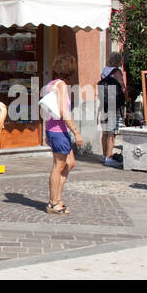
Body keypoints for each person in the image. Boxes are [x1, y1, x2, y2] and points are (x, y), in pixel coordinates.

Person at [40, 54, 82, 215]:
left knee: (70, 162)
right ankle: (53, 202)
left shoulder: (51, 84)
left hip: (53, 129)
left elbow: (48, 109)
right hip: (58, 130)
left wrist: (46, 130)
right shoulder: (61, 85)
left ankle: (57, 197)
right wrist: (76, 132)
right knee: (58, 166)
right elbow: (63, 111)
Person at [98, 51, 126, 167]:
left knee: (105, 131)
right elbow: (122, 87)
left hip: (104, 104)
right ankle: (109, 157)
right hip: (113, 105)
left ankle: (104, 154)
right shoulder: (117, 72)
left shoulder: (104, 71)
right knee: (111, 132)